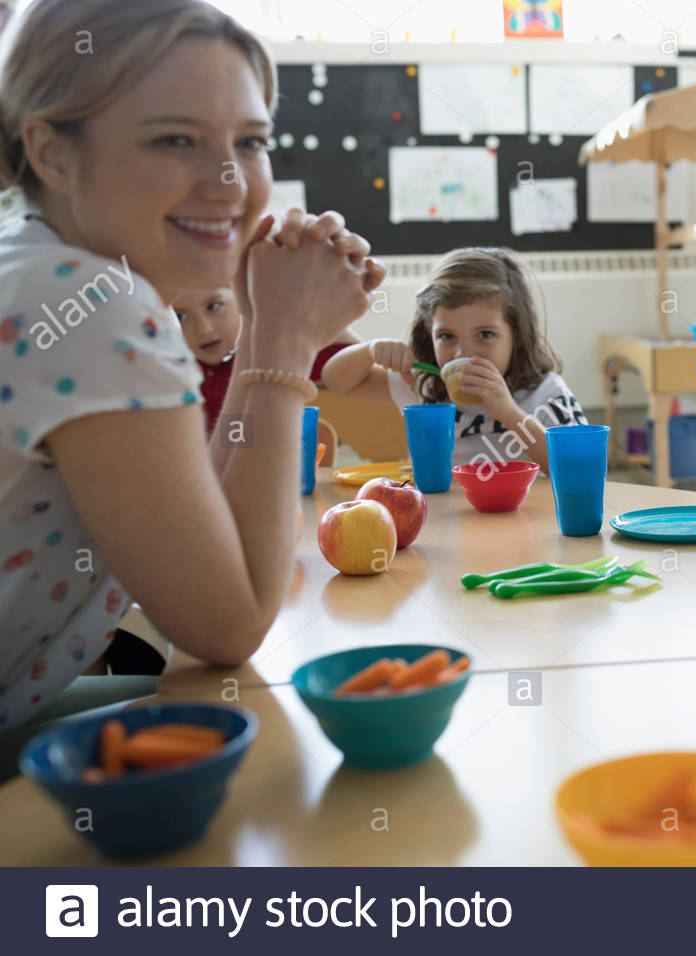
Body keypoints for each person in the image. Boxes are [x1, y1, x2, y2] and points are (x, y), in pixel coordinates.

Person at [0, 0, 384, 730]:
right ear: (51, 152)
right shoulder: (88, 300)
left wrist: (271, 328)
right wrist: (285, 342)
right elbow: (226, 627)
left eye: (250, 140)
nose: (231, 183)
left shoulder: (47, 266)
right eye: (175, 140)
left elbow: (206, 527)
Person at [322, 246, 585, 475]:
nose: (463, 354)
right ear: (429, 334)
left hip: (525, 523)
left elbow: (580, 469)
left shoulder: (546, 392)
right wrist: (370, 351)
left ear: (516, 333)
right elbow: (336, 380)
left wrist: (509, 413)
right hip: (445, 523)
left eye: (485, 334)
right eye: (447, 336)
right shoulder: (422, 384)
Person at [172, 285, 359, 436]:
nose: (204, 329)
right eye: (180, 316)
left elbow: (352, 359)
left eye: (213, 306)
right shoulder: (166, 373)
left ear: (242, 299)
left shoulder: (270, 355)